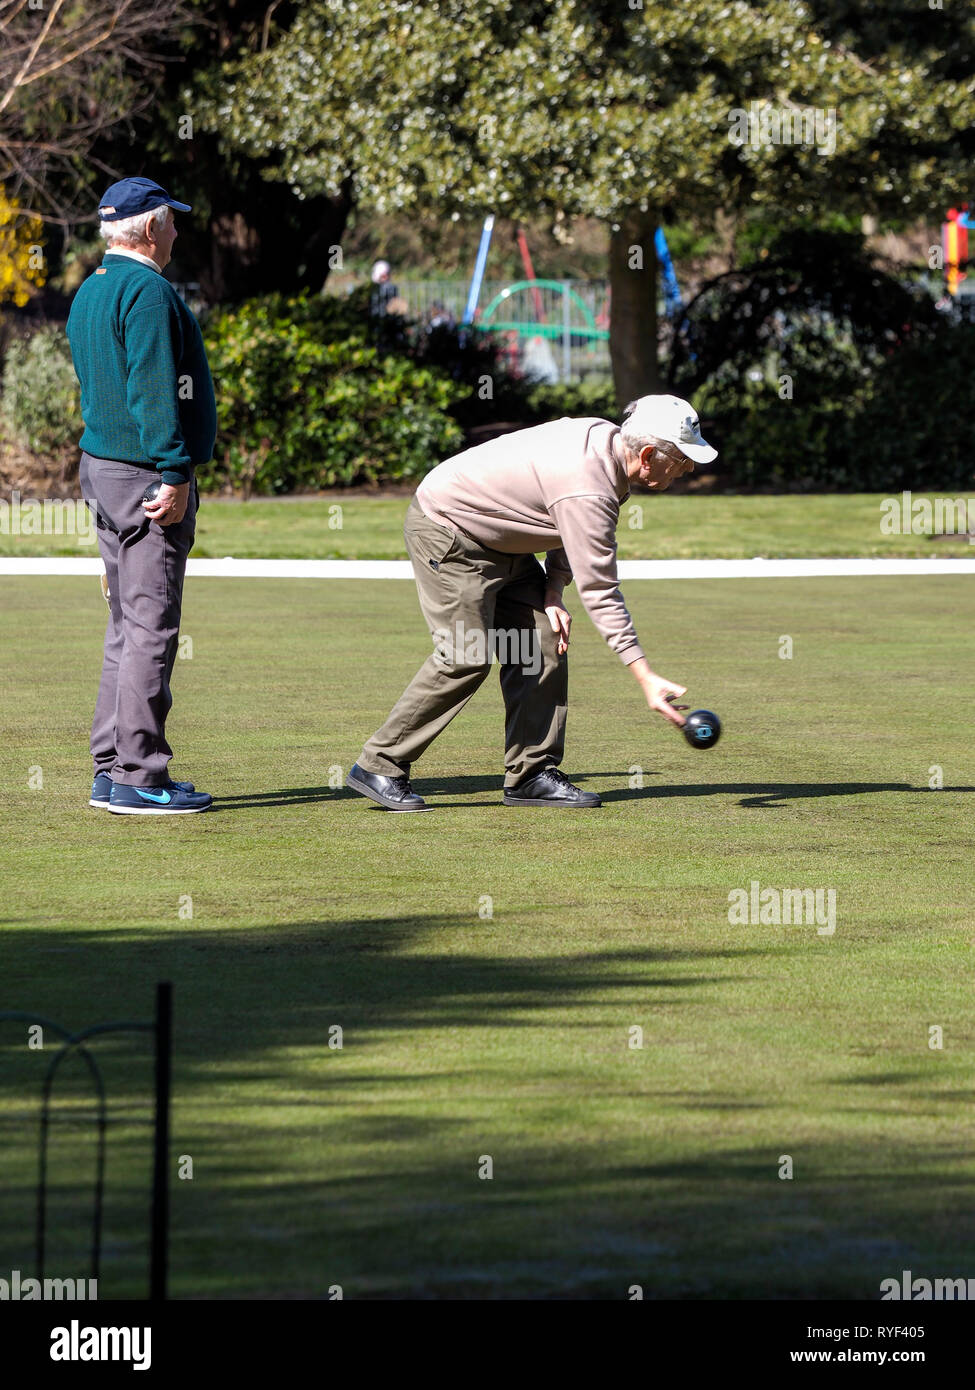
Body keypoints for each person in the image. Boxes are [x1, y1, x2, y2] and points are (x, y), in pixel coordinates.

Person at [347, 395, 718, 812]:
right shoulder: (587, 482)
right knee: (465, 655)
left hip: (503, 540)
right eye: (683, 458)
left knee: (542, 641)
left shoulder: (612, 454)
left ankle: (531, 774)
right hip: (449, 531)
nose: (688, 468)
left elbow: (570, 530)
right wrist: (645, 676)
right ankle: (380, 764)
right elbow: (600, 590)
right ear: (648, 454)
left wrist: (553, 590)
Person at [66, 176, 216, 815]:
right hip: (144, 475)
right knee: (151, 626)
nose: (179, 231)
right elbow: (154, 390)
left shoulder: (91, 289)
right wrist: (175, 474)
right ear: (150, 229)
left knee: (126, 624)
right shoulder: (148, 291)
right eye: (173, 222)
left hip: (103, 469)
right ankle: (137, 775)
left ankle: (113, 767)